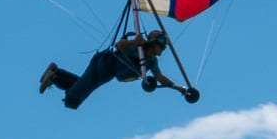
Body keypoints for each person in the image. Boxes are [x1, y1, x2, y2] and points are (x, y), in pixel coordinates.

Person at [39, 29, 175, 109]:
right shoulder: (139, 47)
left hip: (109, 72)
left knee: (82, 87)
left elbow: (159, 77)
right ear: (155, 43)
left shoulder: (151, 61)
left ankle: (56, 73)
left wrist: (179, 88)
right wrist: (135, 41)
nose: (162, 50)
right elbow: (120, 44)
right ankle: (54, 76)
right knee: (75, 97)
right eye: (161, 47)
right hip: (105, 63)